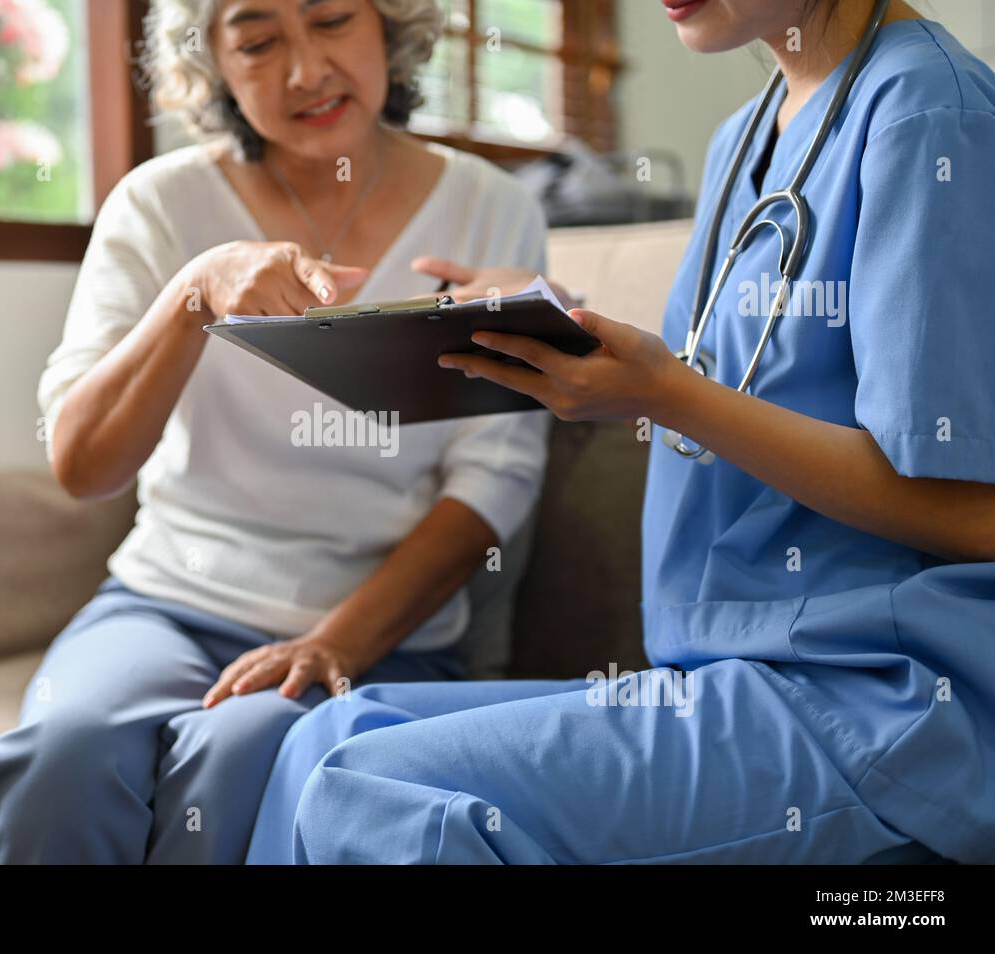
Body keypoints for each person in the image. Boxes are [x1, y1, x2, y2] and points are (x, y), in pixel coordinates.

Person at [246, 0, 995, 864]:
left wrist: (663, 394)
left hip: (883, 705)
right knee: (318, 740)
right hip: (723, 671)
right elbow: (745, 370)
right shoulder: (745, 138)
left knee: (365, 790)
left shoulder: (931, 114)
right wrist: (563, 322)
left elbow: (971, 510)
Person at [0, 0, 553, 864]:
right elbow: (83, 464)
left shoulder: (490, 207)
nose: (305, 71)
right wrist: (193, 297)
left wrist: (333, 645)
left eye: (331, 21)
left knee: (237, 755)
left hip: (379, 636)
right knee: (63, 750)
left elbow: (492, 485)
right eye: (257, 41)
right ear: (211, 63)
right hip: (167, 604)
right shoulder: (160, 203)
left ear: (389, 27)